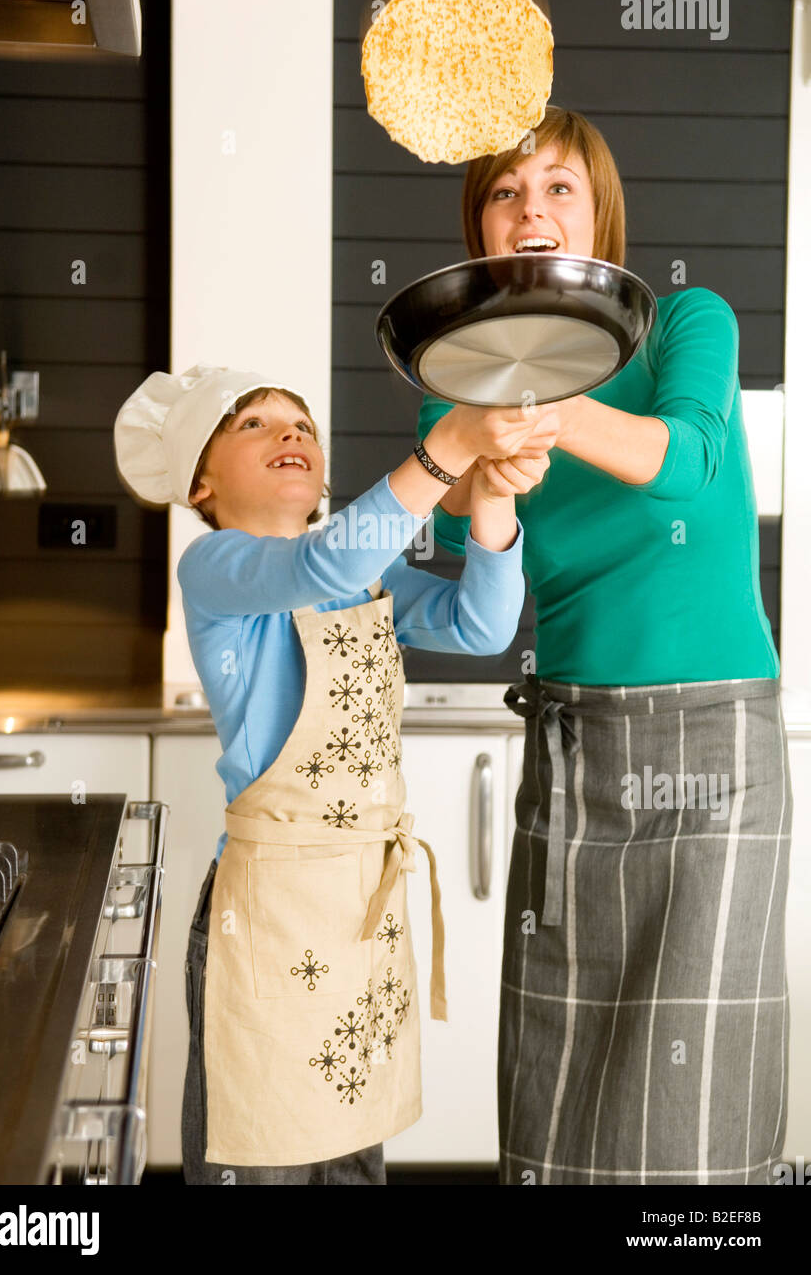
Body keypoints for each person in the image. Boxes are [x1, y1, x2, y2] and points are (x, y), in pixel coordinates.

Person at [418, 106, 792, 1186]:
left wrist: (537, 400)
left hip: (715, 760)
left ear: (597, 216)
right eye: (504, 191)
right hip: (574, 748)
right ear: (479, 226)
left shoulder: (687, 322)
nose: (530, 209)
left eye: (556, 187)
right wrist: (487, 477)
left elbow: (682, 459)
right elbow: (483, 591)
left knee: (696, 1108)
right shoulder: (457, 386)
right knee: (559, 1085)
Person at [113, 362, 558, 1184]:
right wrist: (445, 449)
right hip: (269, 913)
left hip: (362, 907)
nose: (291, 433)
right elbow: (319, 567)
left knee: (352, 1145)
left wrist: (492, 494)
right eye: (254, 424)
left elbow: (481, 625)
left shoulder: (367, 574)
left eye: (303, 426)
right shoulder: (215, 567)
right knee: (263, 1149)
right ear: (201, 482)